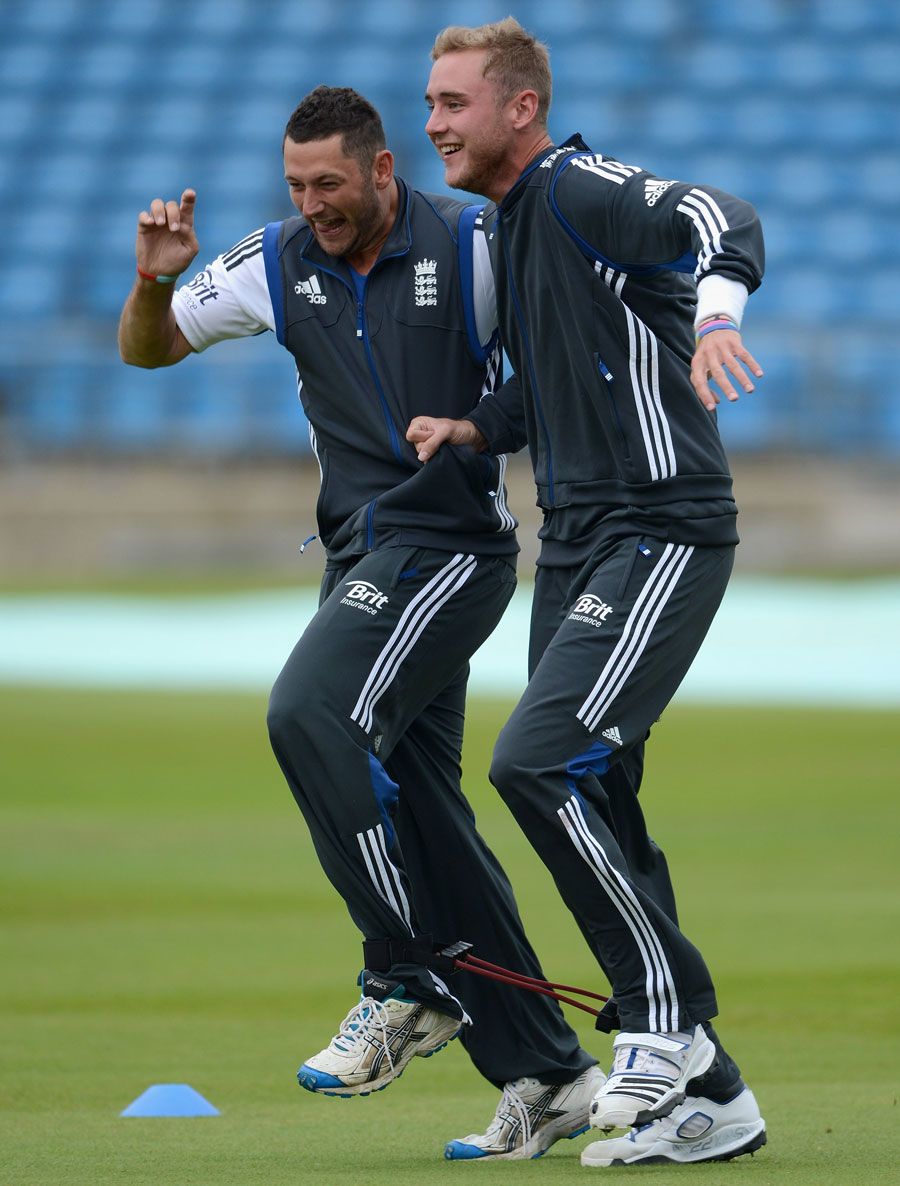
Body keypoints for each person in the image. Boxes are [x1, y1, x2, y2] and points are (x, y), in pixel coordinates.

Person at [117, 84, 603, 1161]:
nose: (313, 204)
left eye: (329, 183)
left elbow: (559, 363)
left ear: (383, 170)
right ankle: (549, 1069)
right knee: (429, 814)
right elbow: (149, 352)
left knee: (311, 712)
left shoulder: (474, 239)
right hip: (359, 559)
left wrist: (480, 429)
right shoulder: (275, 259)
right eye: (297, 185)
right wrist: (152, 288)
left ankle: (406, 972)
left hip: (453, 549)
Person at [409, 18, 769, 1168]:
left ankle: (662, 1014)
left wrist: (718, 313)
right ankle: (710, 1093)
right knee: (596, 790)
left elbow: (721, 217)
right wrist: (476, 426)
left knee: (536, 761)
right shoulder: (509, 229)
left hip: (660, 528)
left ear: (520, 108)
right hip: (577, 542)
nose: (431, 123)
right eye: (428, 103)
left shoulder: (576, 184)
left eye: (452, 103)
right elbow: (546, 386)